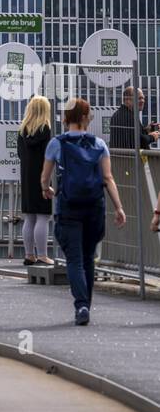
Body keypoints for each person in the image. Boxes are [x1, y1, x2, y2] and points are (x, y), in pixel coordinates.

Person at [41, 97, 126, 326]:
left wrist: (46, 189)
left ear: (66, 118)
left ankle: (82, 306)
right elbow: (108, 178)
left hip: (69, 207)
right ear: (87, 118)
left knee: (75, 260)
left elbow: (45, 177)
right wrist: (118, 207)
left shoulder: (57, 143)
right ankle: (86, 305)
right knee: (88, 258)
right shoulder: (99, 144)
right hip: (94, 207)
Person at [17, 94, 53, 266]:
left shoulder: (22, 129)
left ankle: (29, 254)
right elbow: (48, 154)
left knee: (29, 217)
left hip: (26, 175)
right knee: (43, 216)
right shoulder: (45, 129)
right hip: (41, 175)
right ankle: (43, 255)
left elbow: (19, 154)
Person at [108, 86, 160, 151]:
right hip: (130, 159)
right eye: (139, 98)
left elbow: (132, 135)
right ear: (127, 100)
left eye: (143, 98)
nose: (143, 101)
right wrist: (152, 137)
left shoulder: (121, 114)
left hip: (123, 158)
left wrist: (146, 130)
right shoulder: (128, 116)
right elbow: (139, 141)